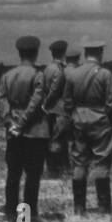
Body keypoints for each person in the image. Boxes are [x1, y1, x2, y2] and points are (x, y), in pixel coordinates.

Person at [0, 35, 48, 222]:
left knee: (13, 174)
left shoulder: (7, 76)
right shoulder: (38, 75)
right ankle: (27, 216)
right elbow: (36, 102)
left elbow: (1, 102)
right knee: (32, 176)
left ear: (19, 53)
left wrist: (11, 123)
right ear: (35, 53)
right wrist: (23, 123)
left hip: (13, 132)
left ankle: (11, 214)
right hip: (34, 131)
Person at [64, 41, 112, 215]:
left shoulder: (73, 74)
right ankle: (103, 207)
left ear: (86, 53)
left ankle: (79, 208)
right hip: (100, 120)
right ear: (100, 53)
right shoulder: (105, 74)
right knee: (101, 162)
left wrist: (75, 114)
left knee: (79, 162)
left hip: (78, 120)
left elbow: (67, 101)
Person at [43, 39, 71, 178]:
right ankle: (55, 169)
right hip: (59, 109)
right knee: (58, 139)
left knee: (54, 139)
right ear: (63, 53)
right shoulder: (59, 70)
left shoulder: (48, 68)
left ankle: (57, 168)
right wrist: (47, 104)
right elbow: (54, 91)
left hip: (51, 110)